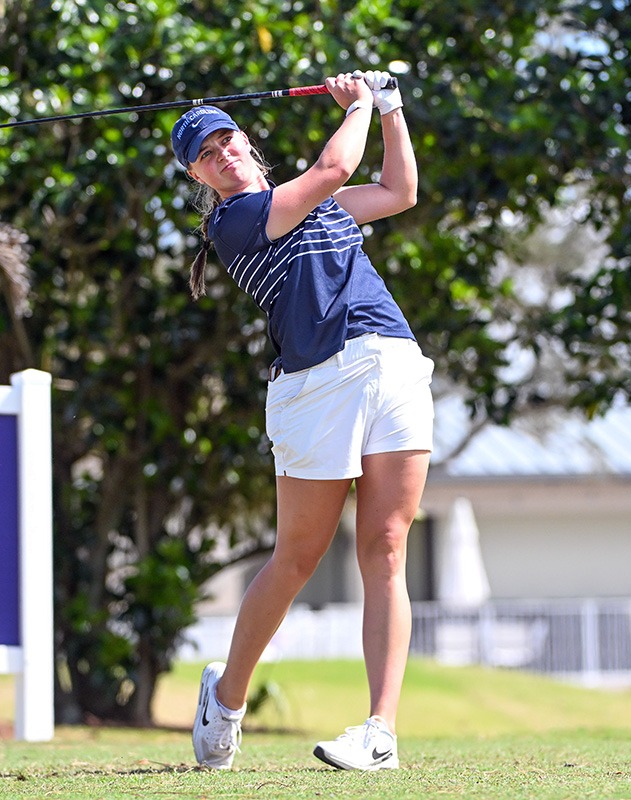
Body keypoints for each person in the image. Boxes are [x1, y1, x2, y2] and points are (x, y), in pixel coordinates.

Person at [171, 70, 431, 772]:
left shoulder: (322, 205)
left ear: (247, 142)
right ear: (199, 176)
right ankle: (226, 699)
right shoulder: (235, 223)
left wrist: (391, 108)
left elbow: (399, 190)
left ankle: (380, 732)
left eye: (227, 140)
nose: (222, 154)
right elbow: (335, 167)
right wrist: (359, 103)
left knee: (386, 546)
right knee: (296, 558)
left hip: (392, 360)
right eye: (205, 154)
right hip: (315, 385)